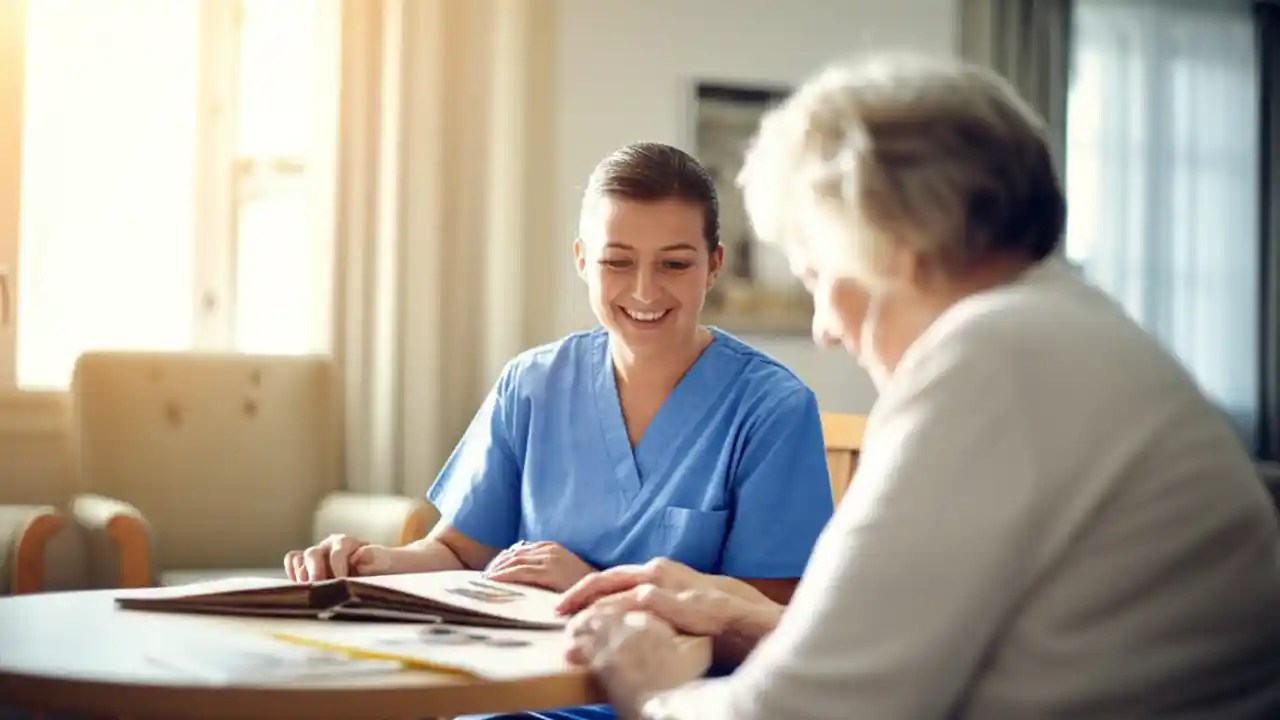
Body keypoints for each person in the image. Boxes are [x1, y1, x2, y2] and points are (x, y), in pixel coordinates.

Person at [562, 55, 1280, 719]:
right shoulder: (1066, 329)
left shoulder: (991, 359)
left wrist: (655, 689)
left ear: (889, 242)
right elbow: (926, 644)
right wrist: (751, 619)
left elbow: (807, 717)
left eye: (817, 272)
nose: (825, 330)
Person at [283, 142, 834, 718]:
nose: (645, 290)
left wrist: (592, 584)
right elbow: (457, 551)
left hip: (651, 704)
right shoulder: (533, 383)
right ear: (581, 260)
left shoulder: (771, 410)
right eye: (617, 262)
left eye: (674, 264)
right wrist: (366, 564)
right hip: (500, 698)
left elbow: (770, 624)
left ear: (714, 264)